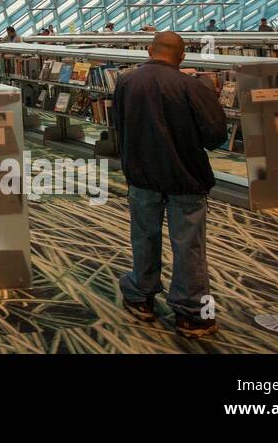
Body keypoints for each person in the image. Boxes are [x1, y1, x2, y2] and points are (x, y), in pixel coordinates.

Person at [113, 31, 227, 338]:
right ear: (182, 56)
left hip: (141, 174)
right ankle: (191, 313)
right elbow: (215, 136)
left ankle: (141, 296)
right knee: (189, 245)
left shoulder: (126, 82)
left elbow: (118, 126)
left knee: (144, 236)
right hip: (185, 177)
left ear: (150, 51)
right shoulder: (192, 86)